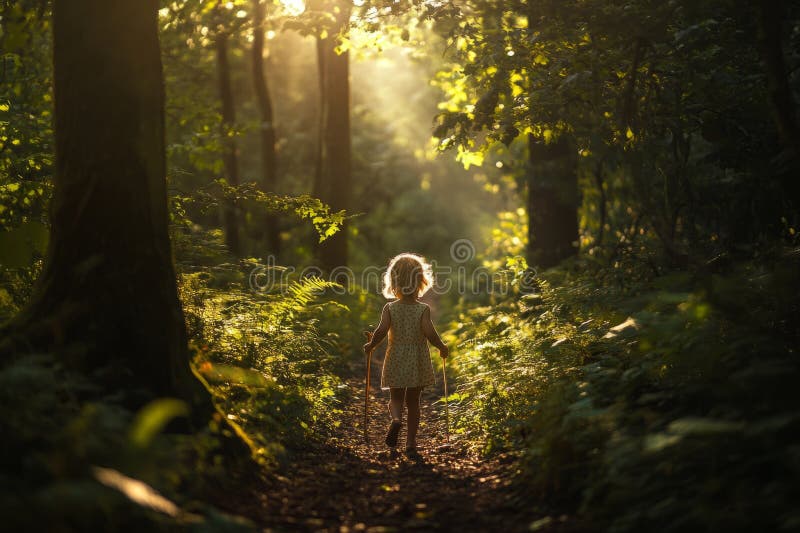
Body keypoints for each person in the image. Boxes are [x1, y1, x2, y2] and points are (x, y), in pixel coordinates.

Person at [363, 253, 450, 456]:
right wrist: (441, 346)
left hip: (395, 357)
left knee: (395, 398)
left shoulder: (390, 308)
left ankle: (395, 419)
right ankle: (410, 443)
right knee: (413, 403)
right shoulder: (423, 309)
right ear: (420, 280)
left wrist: (371, 345)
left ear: (394, 281)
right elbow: (430, 333)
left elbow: (381, 331)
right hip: (417, 359)